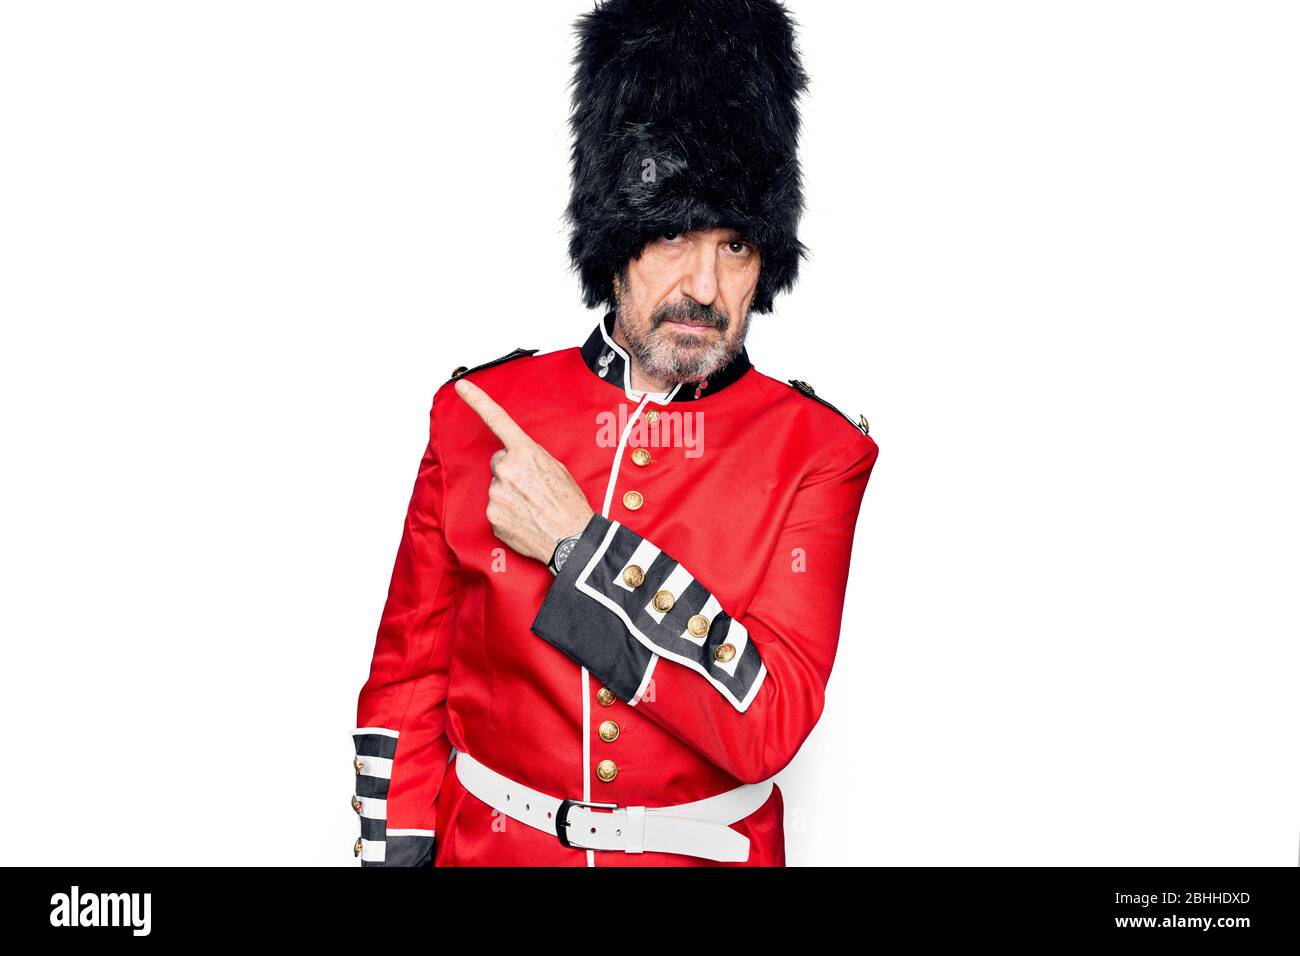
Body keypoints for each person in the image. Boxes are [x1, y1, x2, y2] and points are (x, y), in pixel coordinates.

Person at [351, 0, 880, 866]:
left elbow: (768, 723)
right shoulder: (478, 410)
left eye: (737, 246)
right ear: (617, 243)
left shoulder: (819, 452)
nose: (705, 287)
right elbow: (407, 685)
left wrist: (575, 543)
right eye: (672, 234)